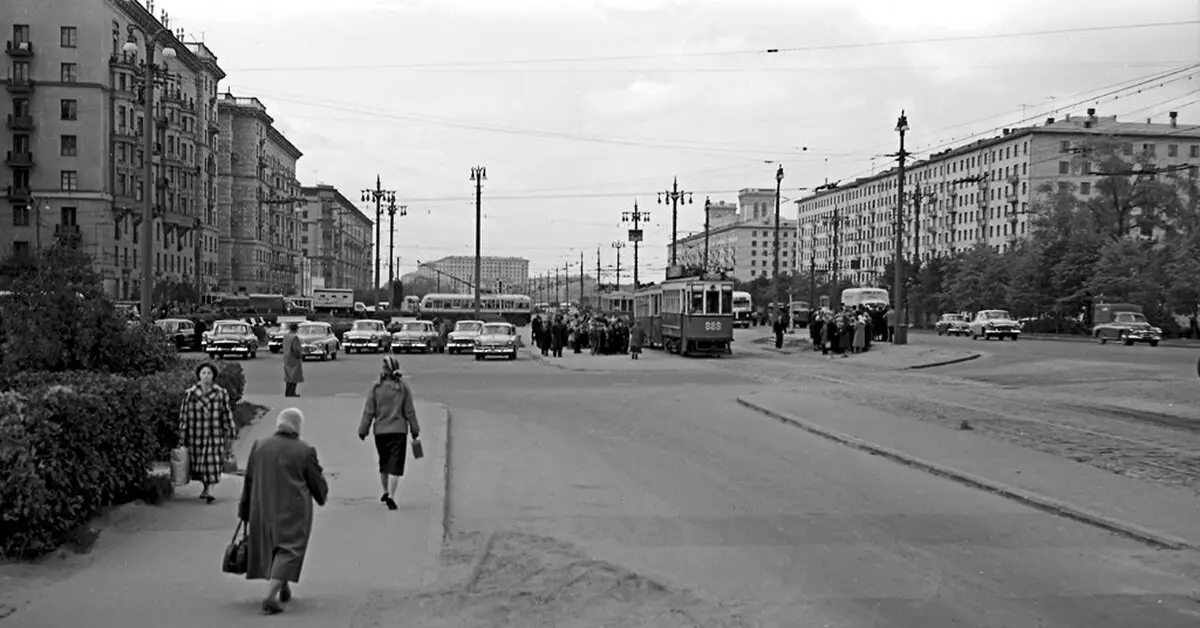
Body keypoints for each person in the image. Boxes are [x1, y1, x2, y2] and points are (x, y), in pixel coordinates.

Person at [239, 408, 328, 615]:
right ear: (297, 426)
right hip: (293, 509)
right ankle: (270, 596)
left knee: (272, 545)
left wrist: (244, 508)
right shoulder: (304, 450)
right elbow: (316, 480)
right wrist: (321, 495)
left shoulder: (260, 445)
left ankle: (283, 586)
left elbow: (249, 479)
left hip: (262, 506)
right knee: (290, 548)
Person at [359, 356, 421, 511]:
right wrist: (415, 430)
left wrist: (363, 430)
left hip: (380, 432)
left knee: (384, 462)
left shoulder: (376, 388)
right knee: (396, 464)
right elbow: (409, 411)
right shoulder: (402, 388)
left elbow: (369, 411)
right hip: (399, 431)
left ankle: (385, 491)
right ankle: (392, 495)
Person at [178, 362, 235, 504]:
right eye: (203, 373)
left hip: (214, 434)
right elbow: (183, 415)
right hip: (196, 434)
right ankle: (205, 487)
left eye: (209, 373)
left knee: (213, 462)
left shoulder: (221, 393)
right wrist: (182, 435)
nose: (206, 376)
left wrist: (230, 430)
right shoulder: (190, 394)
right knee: (199, 464)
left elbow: (226, 413)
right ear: (198, 375)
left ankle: (210, 489)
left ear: (213, 376)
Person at [282, 322, 303, 397]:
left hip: (286, 358)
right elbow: (295, 348)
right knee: (294, 376)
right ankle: (292, 393)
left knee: (288, 376)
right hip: (293, 358)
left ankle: (287, 392)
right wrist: (299, 355)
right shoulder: (294, 337)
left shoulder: (286, 336)